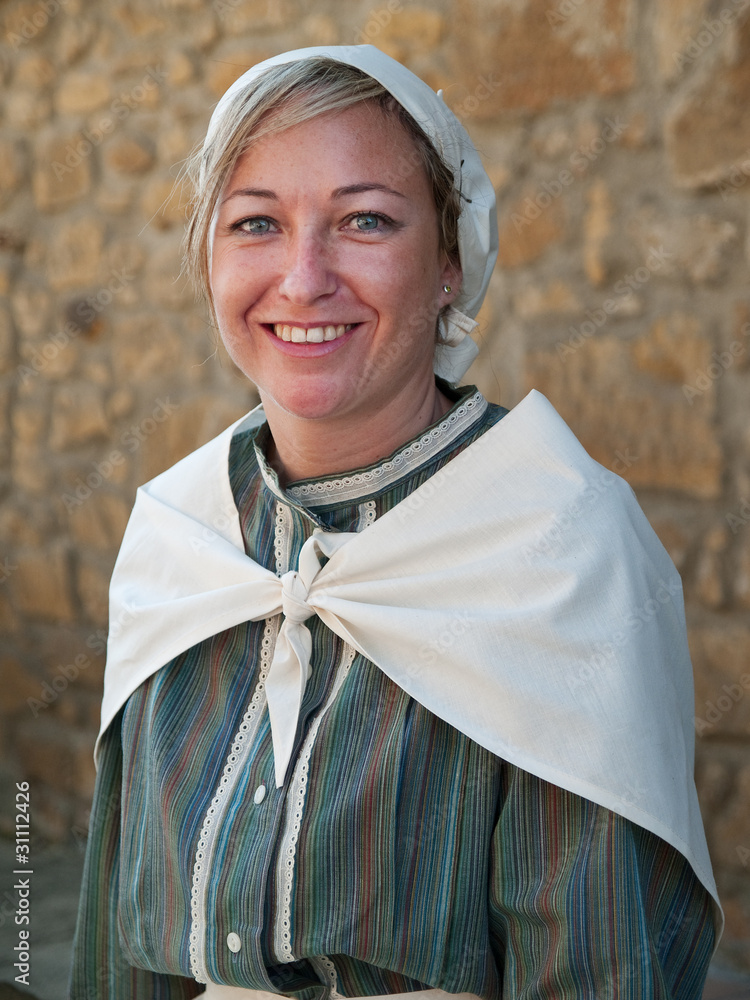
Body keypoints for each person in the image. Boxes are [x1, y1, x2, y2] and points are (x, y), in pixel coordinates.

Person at [70, 45, 722, 999]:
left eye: (364, 220)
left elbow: (596, 967)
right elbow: (115, 951)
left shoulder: (556, 546)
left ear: (450, 263)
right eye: (256, 223)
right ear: (209, 263)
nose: (303, 277)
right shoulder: (180, 537)